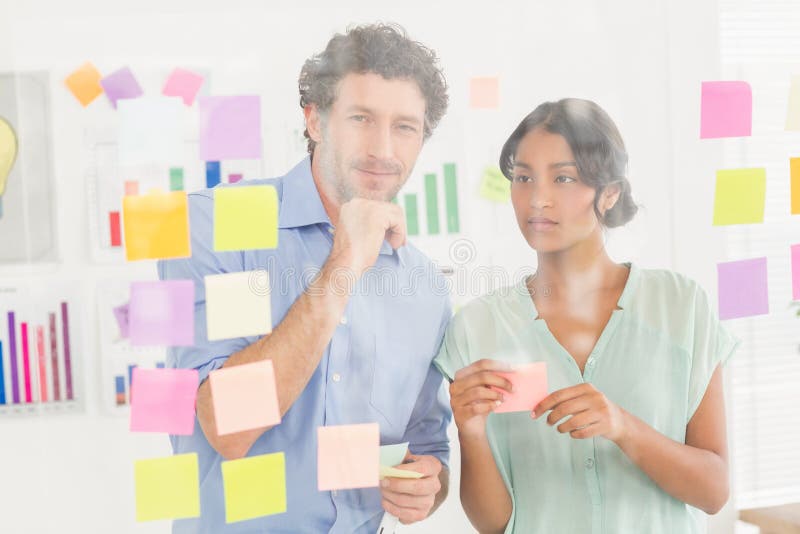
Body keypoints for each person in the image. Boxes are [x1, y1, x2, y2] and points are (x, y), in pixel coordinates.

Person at [158, 23, 453, 533]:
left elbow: (428, 443)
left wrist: (430, 482)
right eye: (362, 118)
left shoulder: (422, 283)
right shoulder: (216, 224)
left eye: (405, 127)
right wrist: (343, 266)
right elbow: (228, 426)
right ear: (314, 120)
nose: (384, 149)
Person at [434, 98, 740, 534]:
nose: (537, 198)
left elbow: (713, 492)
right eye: (523, 177)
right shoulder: (477, 330)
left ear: (610, 192)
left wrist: (624, 428)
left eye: (563, 178)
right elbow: (494, 525)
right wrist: (471, 431)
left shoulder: (680, 306)